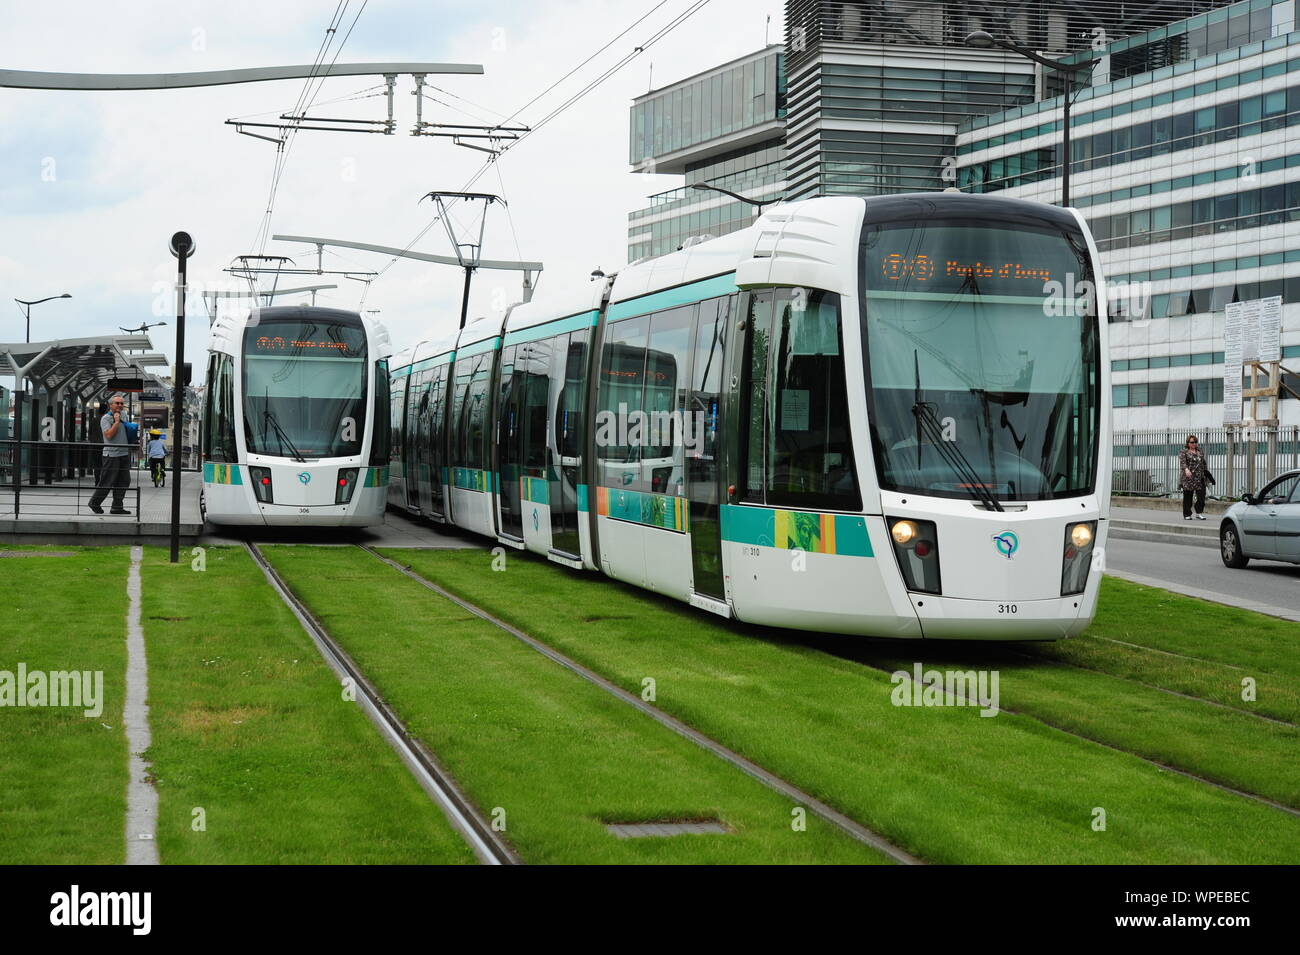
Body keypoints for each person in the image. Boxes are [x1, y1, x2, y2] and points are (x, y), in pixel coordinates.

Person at [88, 394, 132, 515]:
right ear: (111, 405)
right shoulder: (106, 418)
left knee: (124, 481)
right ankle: (94, 502)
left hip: (123, 453)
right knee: (107, 481)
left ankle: (117, 507)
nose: (120, 405)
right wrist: (116, 422)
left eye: (122, 403)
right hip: (111, 454)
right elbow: (108, 435)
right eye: (117, 403)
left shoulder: (124, 415)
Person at [1178, 434, 1213, 521]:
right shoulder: (1184, 452)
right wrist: (1186, 470)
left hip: (1199, 477)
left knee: (1201, 496)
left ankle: (1199, 513)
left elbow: (1203, 464)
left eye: (1195, 442)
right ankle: (1187, 514)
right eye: (1192, 442)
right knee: (1188, 497)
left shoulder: (1200, 451)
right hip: (1188, 477)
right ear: (1188, 443)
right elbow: (1183, 462)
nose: (1194, 444)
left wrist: (1208, 475)